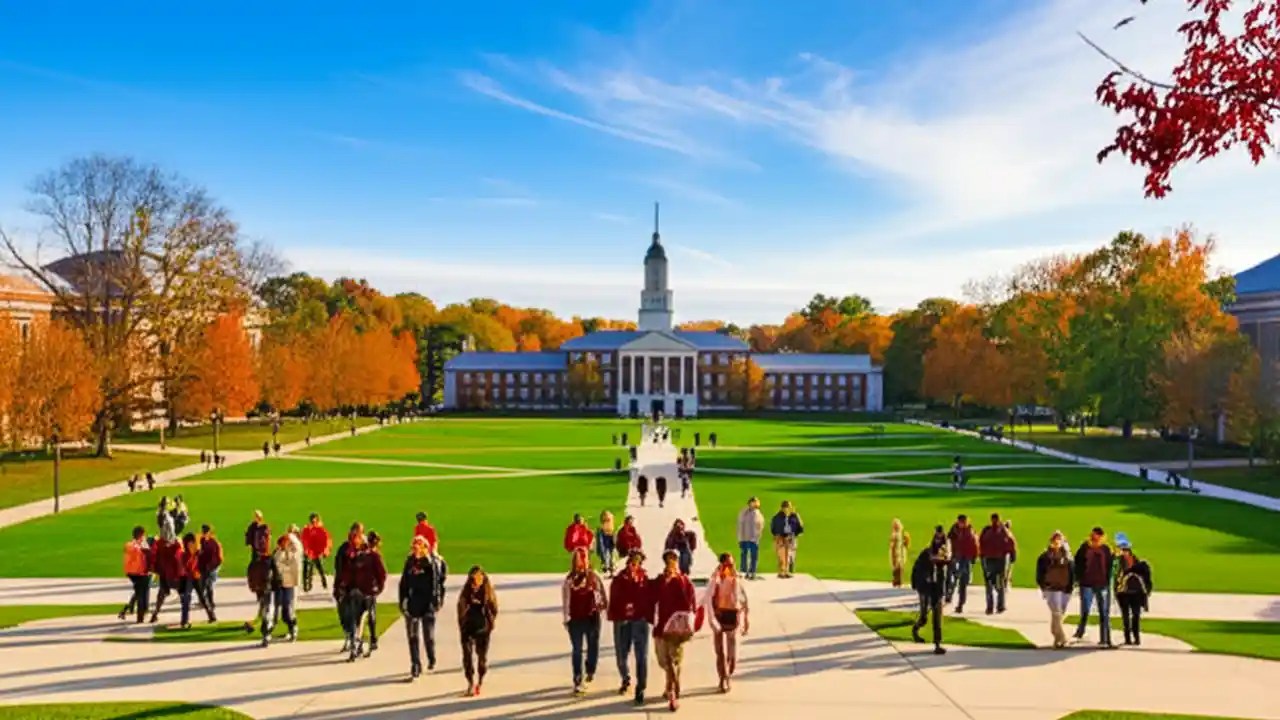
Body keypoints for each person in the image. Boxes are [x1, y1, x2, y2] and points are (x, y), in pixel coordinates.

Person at [651, 549, 697, 712]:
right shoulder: (660, 580)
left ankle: (673, 693)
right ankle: (670, 684)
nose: (671, 561)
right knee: (663, 660)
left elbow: (690, 603)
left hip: (677, 628)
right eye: (668, 558)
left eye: (674, 559)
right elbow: (650, 596)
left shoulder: (684, 581)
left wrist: (677, 579)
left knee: (674, 660)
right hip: (661, 626)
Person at [400, 535, 448, 678]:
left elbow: (436, 585)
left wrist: (436, 601)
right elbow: (403, 583)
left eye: (419, 545)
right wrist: (402, 601)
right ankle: (415, 664)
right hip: (413, 603)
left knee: (428, 636)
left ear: (425, 548)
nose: (415, 548)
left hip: (427, 604)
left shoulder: (430, 564)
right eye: (414, 545)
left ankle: (431, 656)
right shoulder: (409, 563)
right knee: (413, 635)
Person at [562, 548, 608, 696]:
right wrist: (566, 619)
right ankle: (577, 679)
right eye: (578, 561)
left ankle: (590, 669)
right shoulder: (569, 581)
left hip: (592, 618)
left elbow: (602, 595)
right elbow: (566, 600)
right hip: (575, 620)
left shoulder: (594, 578)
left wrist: (603, 608)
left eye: (584, 559)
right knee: (577, 650)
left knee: (593, 646)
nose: (581, 563)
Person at [609, 550, 652, 705]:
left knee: (642, 656)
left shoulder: (645, 579)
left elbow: (650, 599)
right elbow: (613, 599)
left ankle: (641, 687)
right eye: (632, 562)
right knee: (621, 655)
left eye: (637, 562)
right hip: (622, 620)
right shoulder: (620, 579)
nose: (634, 565)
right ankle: (625, 678)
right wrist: (618, 616)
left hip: (639, 620)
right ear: (628, 563)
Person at [704, 553, 749, 693]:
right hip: (719, 615)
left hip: (732, 615)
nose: (730, 568)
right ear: (721, 566)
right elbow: (708, 598)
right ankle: (723, 677)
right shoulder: (715, 581)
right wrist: (711, 619)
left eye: (732, 565)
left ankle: (729, 673)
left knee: (731, 650)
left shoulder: (736, 580)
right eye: (727, 565)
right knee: (719, 651)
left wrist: (746, 618)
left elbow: (743, 599)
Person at [344, 530, 388, 660]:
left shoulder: (374, 556)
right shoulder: (356, 557)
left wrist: (378, 588)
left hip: (369, 591)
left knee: (369, 616)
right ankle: (358, 644)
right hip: (358, 592)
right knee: (357, 619)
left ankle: (372, 638)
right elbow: (351, 574)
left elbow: (382, 573)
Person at [458, 565, 499, 697]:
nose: (476, 581)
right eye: (473, 578)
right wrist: (462, 622)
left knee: (482, 657)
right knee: (467, 655)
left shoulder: (487, 592)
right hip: (467, 627)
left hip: (483, 627)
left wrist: (490, 623)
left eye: (479, 578)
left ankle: (480, 681)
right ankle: (470, 681)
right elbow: (460, 608)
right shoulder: (466, 593)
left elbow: (494, 609)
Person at [910, 526, 951, 655]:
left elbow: (947, 565)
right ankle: (915, 629)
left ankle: (937, 643)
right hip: (925, 586)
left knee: (937, 617)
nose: (939, 540)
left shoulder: (946, 551)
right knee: (924, 616)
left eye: (941, 538)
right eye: (937, 537)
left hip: (937, 588)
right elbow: (920, 567)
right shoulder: (927, 552)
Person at [1073, 526, 1116, 648]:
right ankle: (1081, 630)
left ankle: (1106, 639)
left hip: (1102, 584)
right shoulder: (1085, 547)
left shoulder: (1106, 549)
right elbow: (1077, 562)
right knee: (1085, 610)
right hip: (1087, 583)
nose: (1095, 538)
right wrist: (1078, 578)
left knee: (1104, 612)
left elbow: (1110, 565)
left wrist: (1109, 582)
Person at [1035, 530, 1075, 648]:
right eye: (1055, 540)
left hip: (1064, 589)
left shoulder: (1068, 557)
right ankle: (1062, 638)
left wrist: (1071, 587)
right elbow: (1039, 573)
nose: (1057, 543)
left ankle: (1056, 638)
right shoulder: (1045, 557)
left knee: (1058, 614)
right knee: (1057, 613)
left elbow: (1072, 573)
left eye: (1059, 540)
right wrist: (1043, 586)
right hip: (1051, 588)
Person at [1113, 532, 1153, 646]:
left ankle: (1136, 637)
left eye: (1125, 550)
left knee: (1135, 616)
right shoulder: (1118, 563)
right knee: (1125, 617)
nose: (1124, 552)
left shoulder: (1138, 563)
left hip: (1135, 593)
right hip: (1123, 593)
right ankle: (1127, 638)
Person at [333, 522, 365, 653]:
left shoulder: (364, 550)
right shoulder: (343, 549)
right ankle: (349, 636)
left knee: (355, 615)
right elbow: (338, 567)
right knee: (343, 614)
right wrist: (338, 586)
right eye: (352, 534)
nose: (353, 537)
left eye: (357, 534)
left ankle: (355, 639)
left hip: (358, 589)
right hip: (344, 587)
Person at [978, 513, 1015, 614]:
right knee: (999, 584)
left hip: (991, 559)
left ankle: (991, 607)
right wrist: (1012, 555)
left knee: (991, 584)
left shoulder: (988, 531)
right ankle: (999, 606)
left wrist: (981, 555)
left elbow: (981, 543)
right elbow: (1011, 544)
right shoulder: (1003, 531)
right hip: (998, 560)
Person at [179, 532, 215, 628]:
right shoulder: (185, 555)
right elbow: (186, 567)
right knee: (186, 598)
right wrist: (192, 555)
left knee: (202, 598)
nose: (194, 545)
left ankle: (211, 616)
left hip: (196, 577)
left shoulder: (197, 553)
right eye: (192, 543)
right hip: (188, 578)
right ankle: (184, 620)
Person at [272, 531, 303, 642]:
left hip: (290, 584)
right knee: (281, 610)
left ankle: (293, 629)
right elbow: (277, 563)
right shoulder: (278, 553)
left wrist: (290, 536)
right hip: (281, 584)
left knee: (288, 609)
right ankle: (289, 629)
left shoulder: (294, 553)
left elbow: (296, 551)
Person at [150, 532, 185, 625]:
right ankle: (184, 618)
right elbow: (179, 556)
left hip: (164, 573)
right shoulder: (176, 544)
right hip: (174, 574)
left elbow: (155, 555)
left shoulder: (160, 543)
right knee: (183, 595)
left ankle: (155, 614)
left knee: (161, 595)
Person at [119, 526, 153, 623]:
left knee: (139, 593)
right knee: (141, 594)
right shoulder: (134, 545)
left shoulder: (131, 544)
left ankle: (127, 610)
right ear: (141, 535)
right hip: (139, 573)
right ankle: (139, 618)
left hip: (134, 573)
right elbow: (141, 553)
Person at [246, 542, 278, 646]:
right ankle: (266, 633)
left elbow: (250, 576)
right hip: (265, 589)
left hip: (262, 589)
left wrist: (253, 587)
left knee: (265, 610)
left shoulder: (255, 562)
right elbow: (276, 574)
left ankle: (265, 633)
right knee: (267, 611)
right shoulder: (267, 560)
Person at [946, 514, 979, 612]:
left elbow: (975, 546)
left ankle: (960, 604)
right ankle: (949, 594)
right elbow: (948, 540)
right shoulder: (954, 530)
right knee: (952, 578)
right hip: (956, 556)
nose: (961, 524)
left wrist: (973, 558)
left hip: (965, 558)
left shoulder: (970, 533)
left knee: (963, 582)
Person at [771, 500, 803, 579]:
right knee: (782, 555)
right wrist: (778, 536)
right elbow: (773, 528)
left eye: (788, 508)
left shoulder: (795, 516)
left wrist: (793, 534)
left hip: (791, 538)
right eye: (784, 508)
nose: (786, 509)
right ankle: (782, 571)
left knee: (789, 555)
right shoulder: (777, 517)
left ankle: (788, 571)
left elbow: (800, 528)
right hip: (781, 538)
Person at [301, 513, 332, 592]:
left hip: (318, 552)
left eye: (315, 520)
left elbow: (327, 540)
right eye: (312, 520)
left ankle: (324, 583)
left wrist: (326, 551)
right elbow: (304, 539)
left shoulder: (321, 529)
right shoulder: (307, 529)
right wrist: (306, 550)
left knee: (321, 568)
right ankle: (307, 586)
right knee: (308, 569)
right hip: (310, 552)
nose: (313, 522)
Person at [196, 524, 223, 616]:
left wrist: (211, 567)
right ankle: (203, 601)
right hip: (203, 567)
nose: (203, 533)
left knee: (208, 585)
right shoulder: (202, 540)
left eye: (205, 532)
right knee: (202, 585)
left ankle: (211, 603)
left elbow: (215, 557)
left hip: (210, 567)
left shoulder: (213, 543)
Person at [737, 497, 765, 580]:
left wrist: (757, 537)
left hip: (753, 538)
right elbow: (740, 525)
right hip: (744, 538)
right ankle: (744, 571)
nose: (754, 504)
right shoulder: (743, 513)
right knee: (744, 555)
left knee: (754, 555)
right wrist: (740, 538)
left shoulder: (758, 514)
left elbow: (760, 526)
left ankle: (752, 571)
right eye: (753, 502)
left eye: (756, 502)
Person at [889, 519, 911, 588]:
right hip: (898, 553)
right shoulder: (896, 535)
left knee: (899, 567)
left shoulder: (899, 535)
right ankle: (897, 581)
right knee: (898, 567)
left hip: (899, 553)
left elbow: (905, 545)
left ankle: (898, 581)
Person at [596, 510, 617, 575]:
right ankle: (607, 566)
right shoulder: (601, 530)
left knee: (611, 554)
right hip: (605, 536)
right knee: (605, 553)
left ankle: (610, 568)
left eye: (608, 519)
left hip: (610, 536)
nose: (607, 521)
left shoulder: (610, 526)